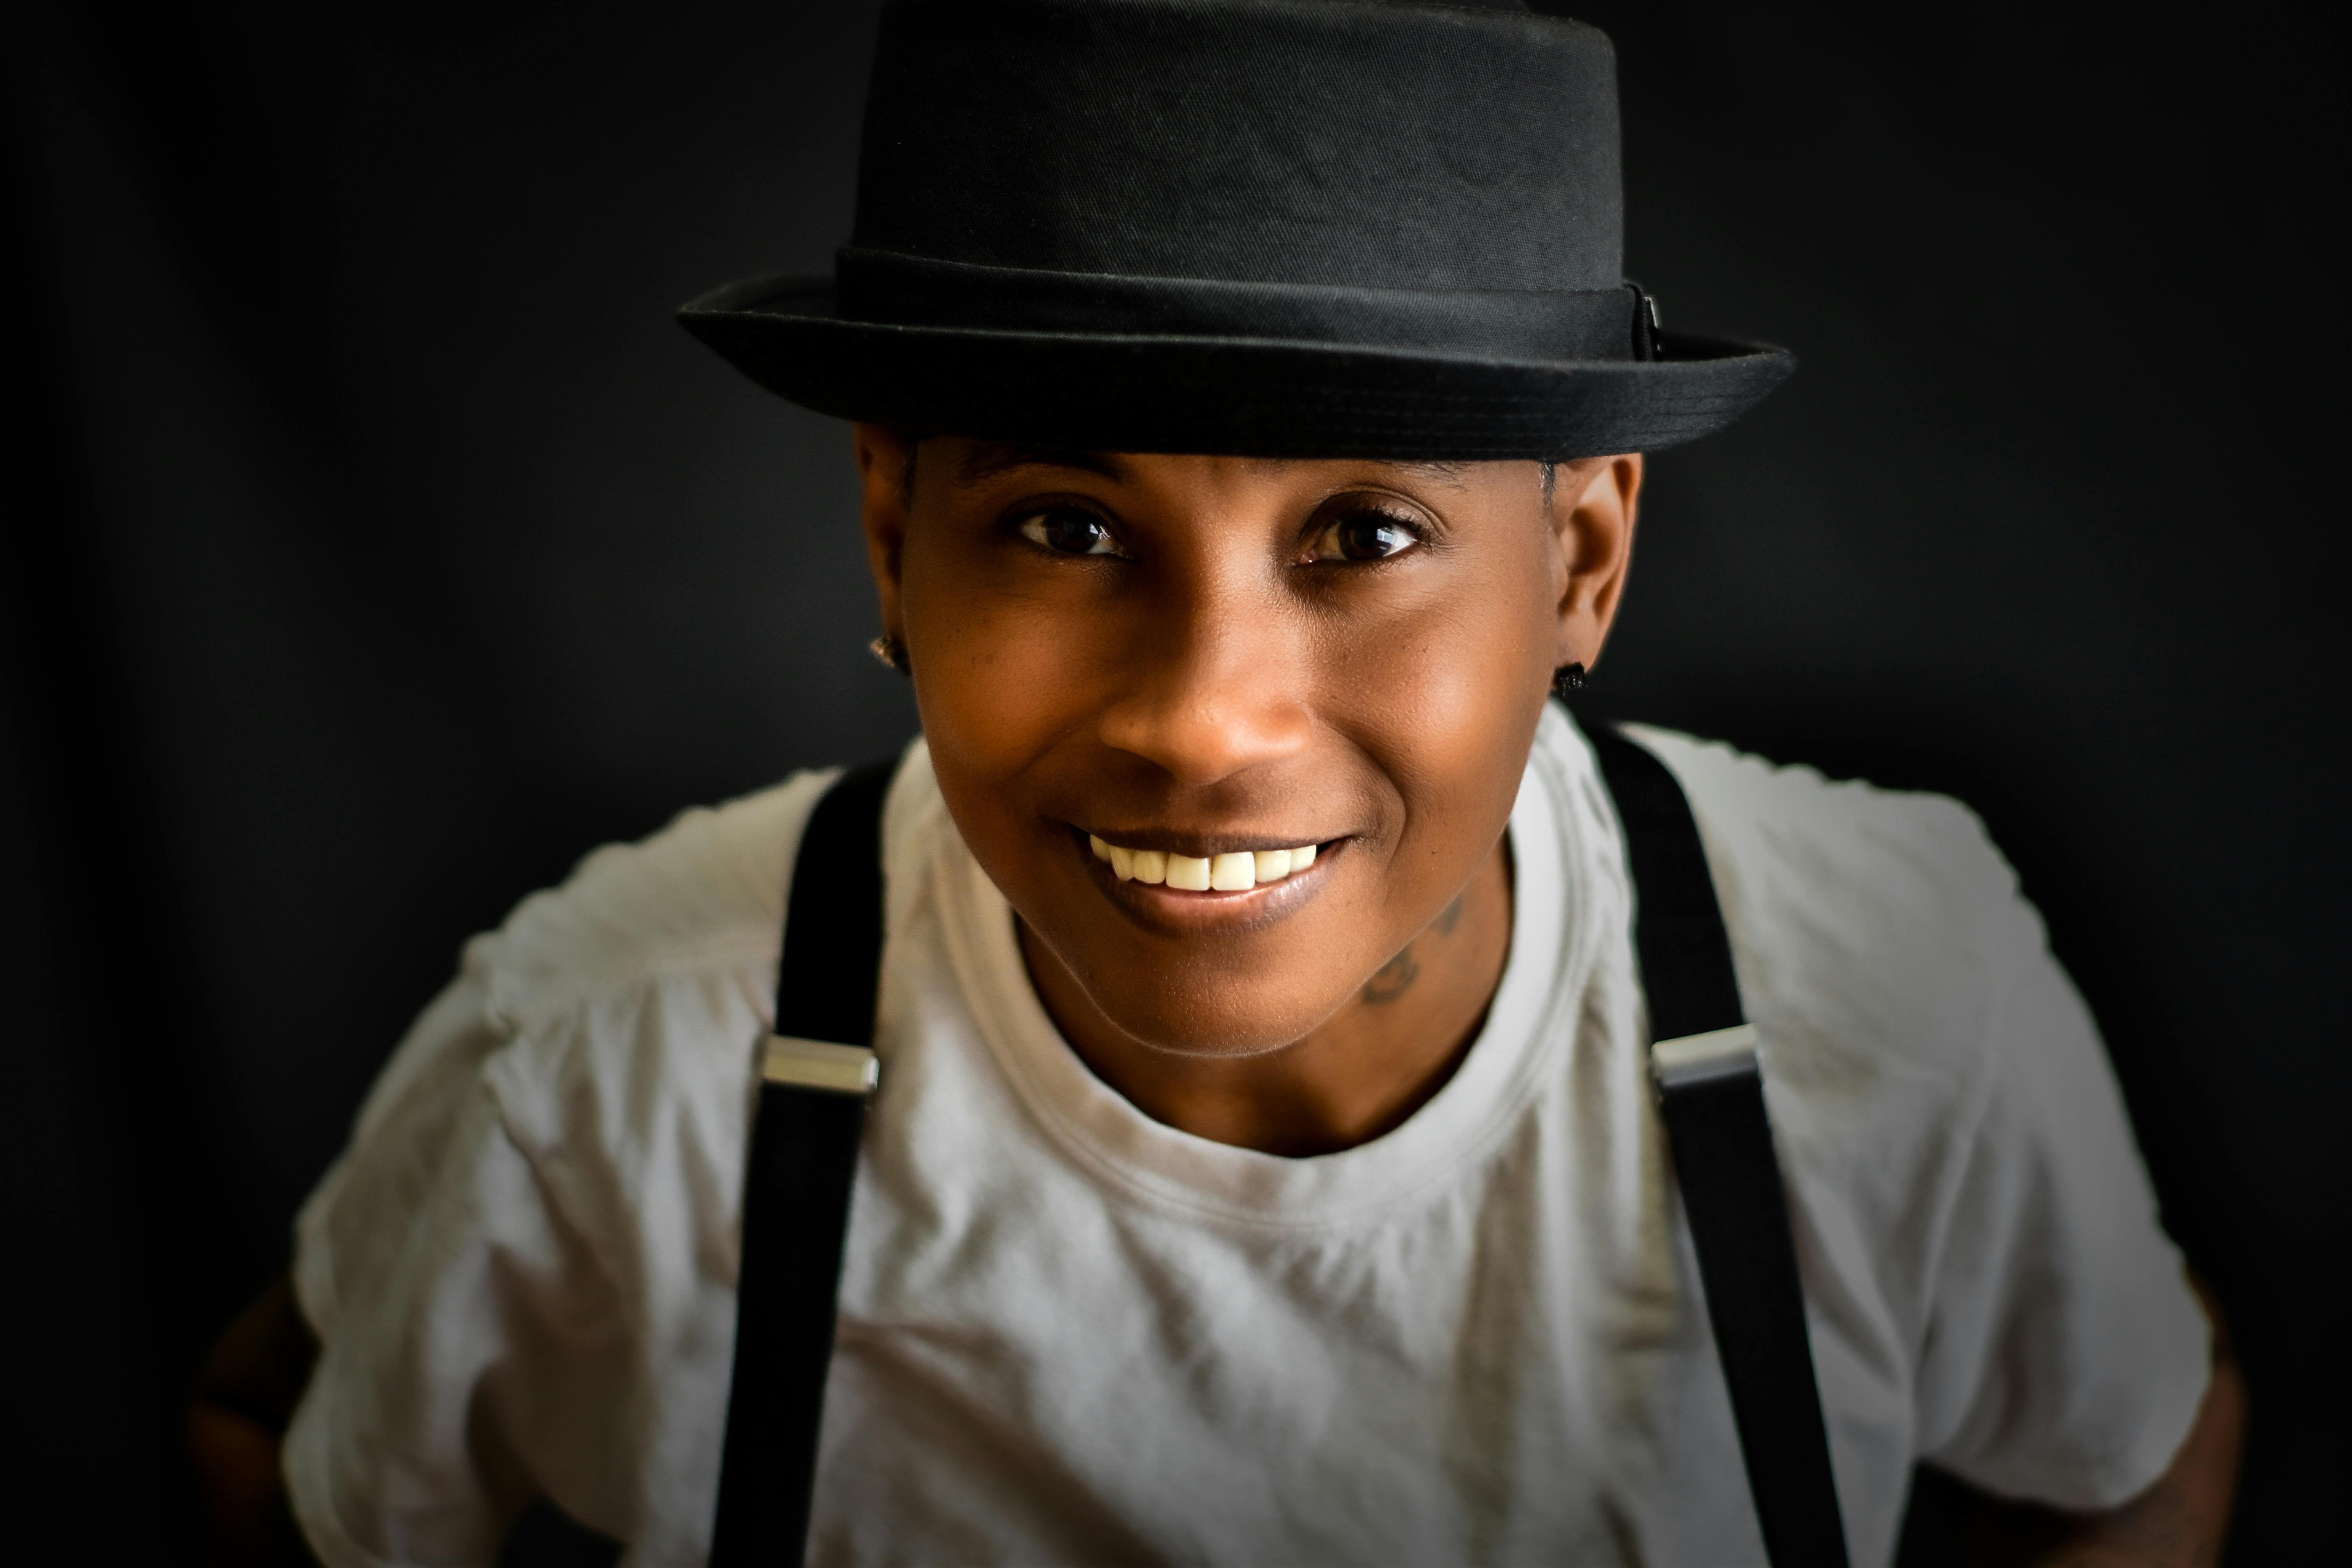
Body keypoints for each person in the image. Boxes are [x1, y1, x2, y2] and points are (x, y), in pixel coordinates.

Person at [190, 1, 2245, 1563]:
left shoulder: (1893, 995)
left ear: (1584, 562)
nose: (1204, 721)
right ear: (892, 537)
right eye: (1069, 530)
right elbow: (271, 1436)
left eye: (1363, 533)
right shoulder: (603, 1066)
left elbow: (2149, 1451)